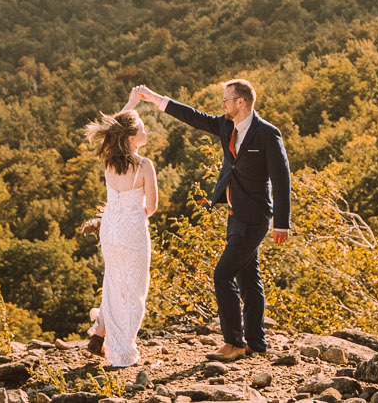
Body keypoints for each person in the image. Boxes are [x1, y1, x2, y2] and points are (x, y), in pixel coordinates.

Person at [128, 80, 290, 361]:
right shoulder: (226, 126)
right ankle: (256, 343)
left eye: (226, 100)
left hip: (256, 218)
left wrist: (282, 222)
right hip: (234, 215)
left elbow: (282, 179)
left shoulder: (267, 134)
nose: (222, 105)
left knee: (222, 274)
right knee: (249, 278)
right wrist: (156, 99)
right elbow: (193, 116)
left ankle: (234, 343)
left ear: (241, 102)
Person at [79, 107, 158, 367]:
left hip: (110, 229)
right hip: (132, 230)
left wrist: (132, 102)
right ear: (133, 137)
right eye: (142, 128)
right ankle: (123, 352)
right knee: (134, 290)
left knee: (113, 285)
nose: (146, 130)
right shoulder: (144, 165)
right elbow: (152, 207)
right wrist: (135, 217)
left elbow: (116, 128)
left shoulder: (110, 162)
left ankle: (102, 335)